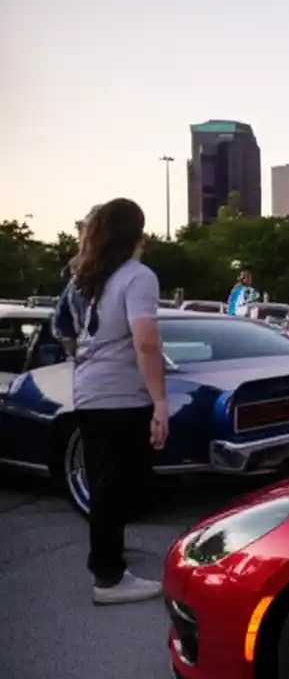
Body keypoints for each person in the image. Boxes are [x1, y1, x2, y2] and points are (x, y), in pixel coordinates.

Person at [59, 198, 167, 605]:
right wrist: (159, 401)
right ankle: (107, 576)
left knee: (107, 480)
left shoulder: (82, 278)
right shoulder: (138, 277)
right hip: (122, 394)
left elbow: (64, 332)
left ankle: (109, 557)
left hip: (88, 390)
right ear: (138, 232)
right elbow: (146, 341)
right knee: (116, 483)